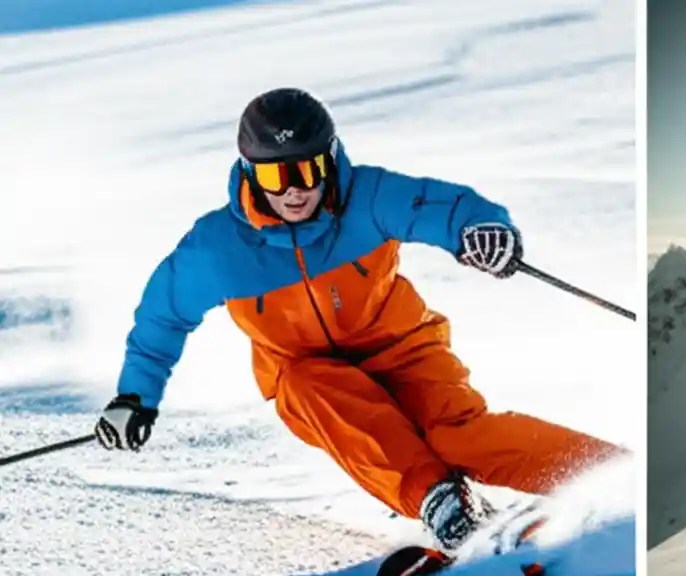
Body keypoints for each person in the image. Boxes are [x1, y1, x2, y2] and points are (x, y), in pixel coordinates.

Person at [94, 88, 620, 549]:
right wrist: (134, 399)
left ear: (329, 161)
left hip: (405, 351)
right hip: (315, 383)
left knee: (458, 437)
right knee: (310, 385)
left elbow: (446, 207)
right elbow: (161, 319)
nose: (294, 190)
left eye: (307, 171)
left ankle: (617, 477)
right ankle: (443, 505)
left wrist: (483, 230)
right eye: (276, 175)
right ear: (250, 172)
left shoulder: (366, 198)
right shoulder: (217, 249)